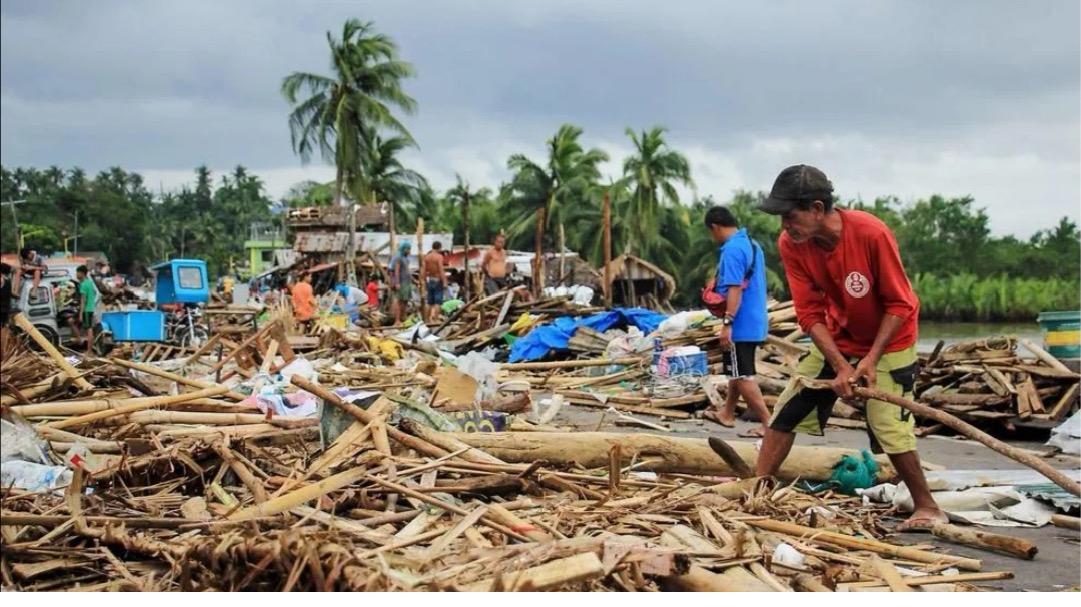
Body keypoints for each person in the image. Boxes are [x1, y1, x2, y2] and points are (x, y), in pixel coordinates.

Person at [755, 164, 945, 531]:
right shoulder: (792, 245)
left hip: (891, 339)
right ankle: (758, 487)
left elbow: (899, 304)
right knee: (790, 406)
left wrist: (870, 360)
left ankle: (927, 506)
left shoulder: (870, 233)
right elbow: (809, 314)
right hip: (839, 338)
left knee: (888, 422)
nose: (784, 227)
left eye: (790, 216)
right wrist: (842, 365)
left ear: (816, 208)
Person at [701, 206, 772, 439]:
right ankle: (727, 413)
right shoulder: (752, 244)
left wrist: (727, 322)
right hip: (755, 319)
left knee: (742, 376)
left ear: (715, 227)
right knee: (736, 371)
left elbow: (734, 289)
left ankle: (769, 424)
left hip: (740, 323)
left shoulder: (732, 249)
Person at [421, 241, 448, 324]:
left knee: (429, 302)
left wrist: (423, 280)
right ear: (439, 248)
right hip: (437, 280)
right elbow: (441, 269)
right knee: (437, 302)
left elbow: (423, 270)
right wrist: (444, 281)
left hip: (430, 279)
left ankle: (426, 320)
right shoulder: (439, 257)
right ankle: (435, 319)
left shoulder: (427, 257)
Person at [389, 241, 413, 324]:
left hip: (406, 282)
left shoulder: (405, 258)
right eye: (408, 249)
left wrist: (413, 280)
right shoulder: (398, 257)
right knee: (398, 300)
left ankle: (403, 317)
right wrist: (397, 283)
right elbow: (396, 271)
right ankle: (397, 320)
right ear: (404, 249)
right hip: (401, 282)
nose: (409, 251)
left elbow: (407, 271)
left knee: (405, 300)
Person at [76, 265, 96, 356]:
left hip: (87, 309)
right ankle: (90, 349)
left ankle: (89, 351)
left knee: (89, 329)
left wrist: (80, 314)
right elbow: (94, 293)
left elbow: (83, 301)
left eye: (77, 273)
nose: (76, 275)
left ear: (82, 273)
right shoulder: (89, 283)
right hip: (91, 308)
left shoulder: (84, 285)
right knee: (89, 329)